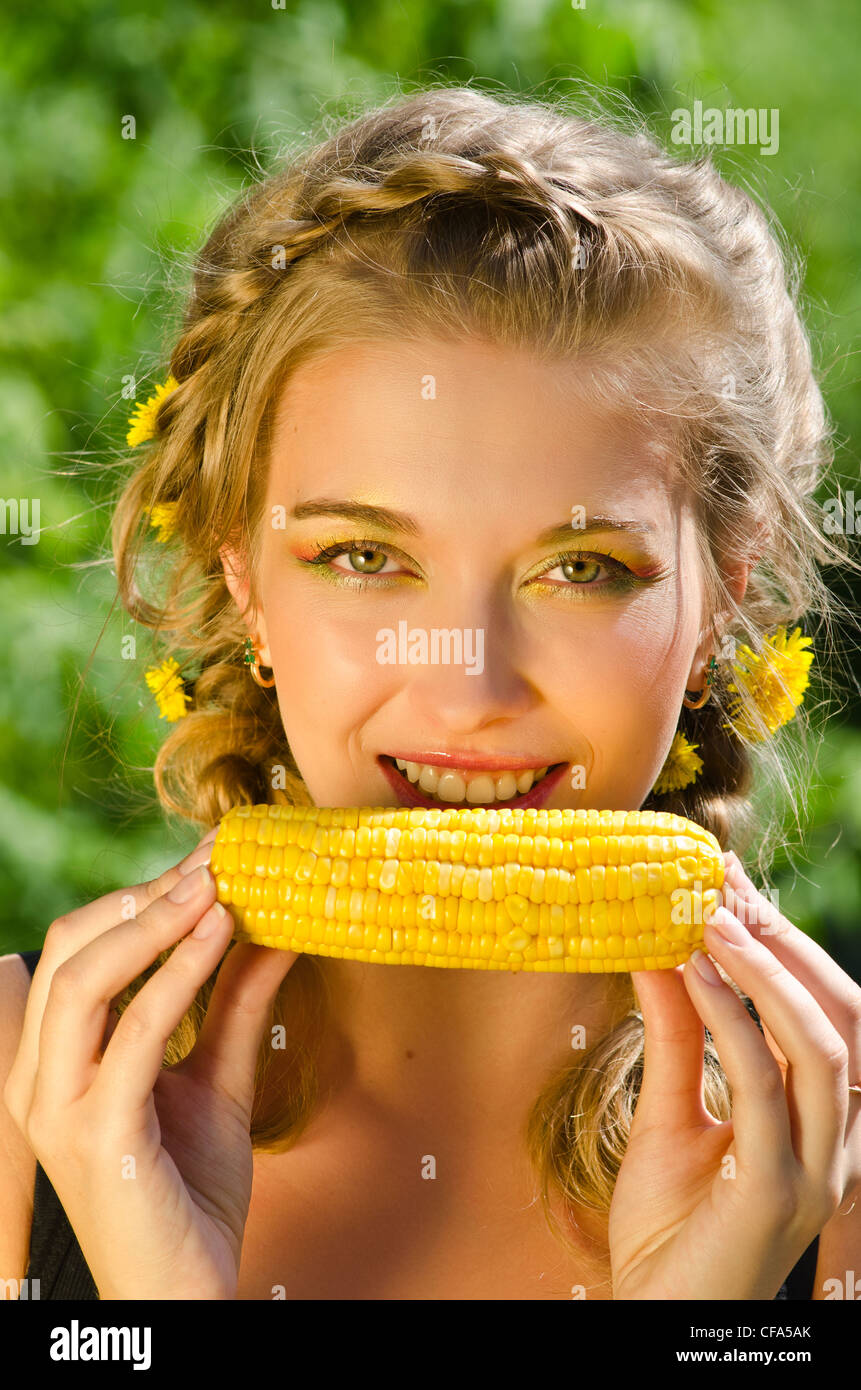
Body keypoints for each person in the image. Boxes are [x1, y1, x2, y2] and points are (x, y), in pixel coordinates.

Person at [2, 83, 859, 1301]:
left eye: (581, 568)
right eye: (363, 557)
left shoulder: (840, 1186)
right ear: (245, 579)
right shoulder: (14, 1093)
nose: (467, 690)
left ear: (725, 593)